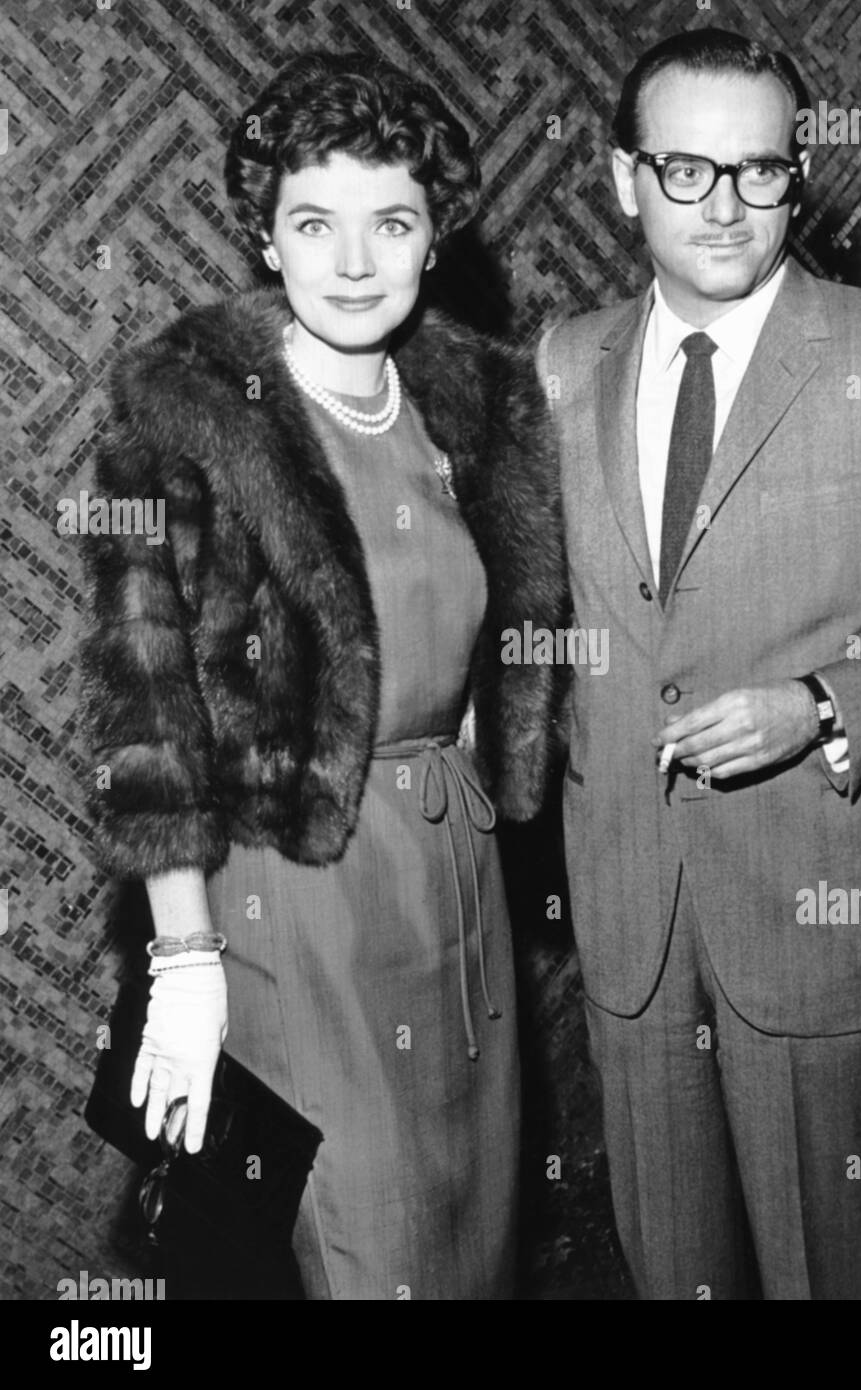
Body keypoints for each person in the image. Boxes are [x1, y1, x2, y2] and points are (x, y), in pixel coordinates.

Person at [537, 28, 861, 1300]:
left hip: (822, 911)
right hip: (629, 917)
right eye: (685, 170)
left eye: (758, 172)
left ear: (799, 175)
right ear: (622, 181)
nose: (722, 205)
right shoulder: (560, 359)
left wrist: (821, 704)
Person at [79, 49, 566, 1300]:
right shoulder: (189, 421)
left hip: (453, 874)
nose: (355, 263)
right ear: (266, 234)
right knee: (366, 1242)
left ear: (432, 234)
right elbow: (149, 719)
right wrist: (184, 965)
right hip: (288, 889)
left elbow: (499, 647)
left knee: (476, 1232)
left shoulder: (475, 406)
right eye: (315, 222)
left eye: (389, 222)